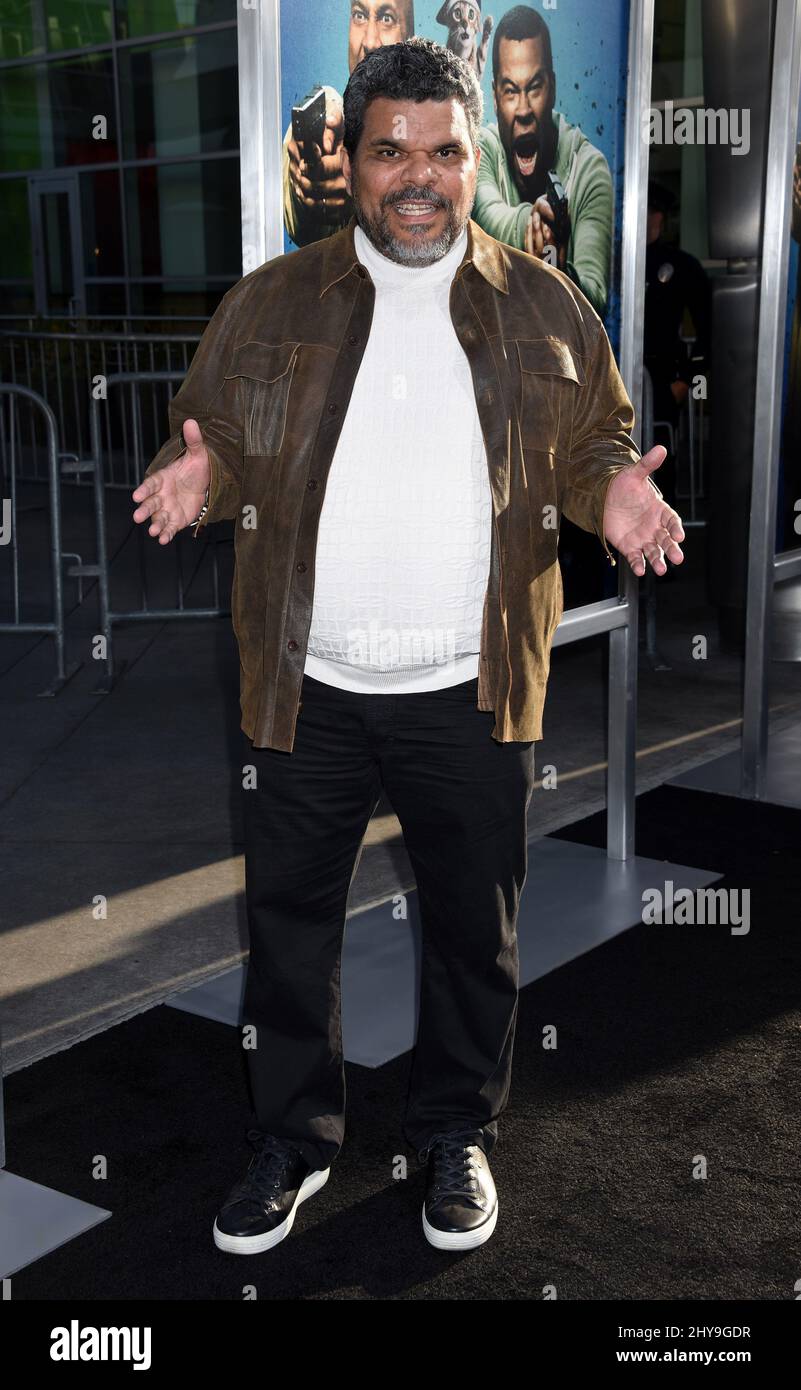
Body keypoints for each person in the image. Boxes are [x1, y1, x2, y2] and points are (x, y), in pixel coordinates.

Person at [132, 37, 683, 1255]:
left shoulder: (546, 305)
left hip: (473, 686)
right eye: (393, 152)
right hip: (305, 688)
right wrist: (203, 472)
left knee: (473, 934)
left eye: (444, 151)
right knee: (286, 925)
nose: (419, 177)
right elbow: (211, 434)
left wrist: (618, 499)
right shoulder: (270, 302)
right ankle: (292, 1138)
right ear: (354, 160)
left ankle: (453, 1134)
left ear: (471, 153)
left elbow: (595, 446)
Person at [471, 5, 613, 317]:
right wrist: (536, 228)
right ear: (494, 97)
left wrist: (561, 274)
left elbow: (596, 299)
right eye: (510, 91)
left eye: (534, 88)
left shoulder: (587, 169)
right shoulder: (482, 149)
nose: (523, 110)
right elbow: (487, 210)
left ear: (552, 87)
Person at [283, 0, 415, 247]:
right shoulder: (334, 120)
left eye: (387, 18)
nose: (370, 42)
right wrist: (305, 170)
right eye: (360, 15)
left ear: (410, 37)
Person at [644, 182, 711, 507]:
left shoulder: (682, 266)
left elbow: (709, 330)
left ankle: (663, 546)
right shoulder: (613, 259)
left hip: (663, 381)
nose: (650, 218)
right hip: (616, 375)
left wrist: (685, 379)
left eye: (655, 211)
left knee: (661, 464)